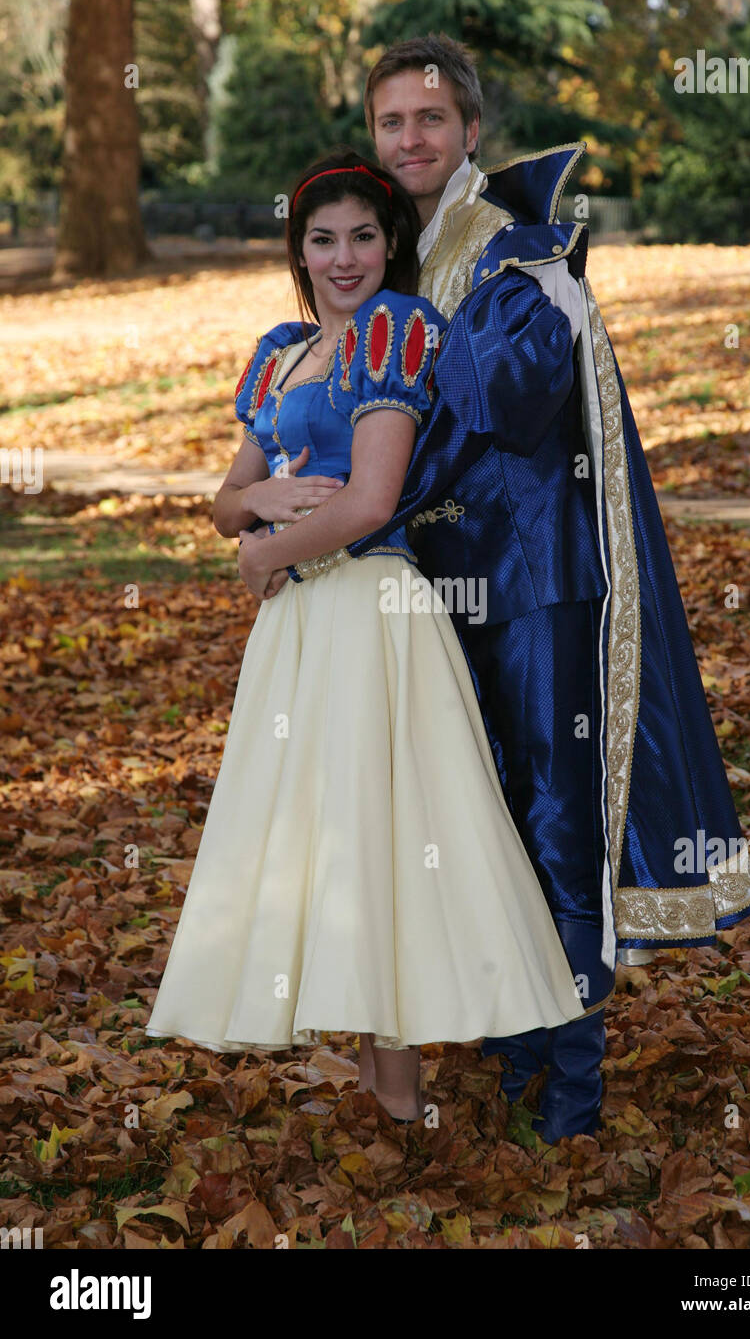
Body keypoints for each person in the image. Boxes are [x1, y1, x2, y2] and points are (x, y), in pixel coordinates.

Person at [234, 35, 750, 1145]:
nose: (411, 138)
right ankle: (508, 1045)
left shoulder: (524, 256)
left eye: (431, 119)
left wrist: (319, 515)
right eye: (391, 122)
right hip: (424, 603)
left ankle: (565, 1094)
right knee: (469, 826)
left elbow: (503, 408)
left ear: (470, 131)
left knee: (553, 822)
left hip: (530, 586)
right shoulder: (393, 261)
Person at [144, 152, 587, 1125]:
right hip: (295, 632)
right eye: (321, 239)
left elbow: (371, 499)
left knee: (384, 838)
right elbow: (225, 497)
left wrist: (268, 557)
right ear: (296, 252)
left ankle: (405, 1096)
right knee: (328, 842)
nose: (343, 258)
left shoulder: (395, 332)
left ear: (389, 245)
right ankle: (377, 1088)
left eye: (362, 237)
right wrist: (250, 506)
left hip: (364, 610)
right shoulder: (279, 350)